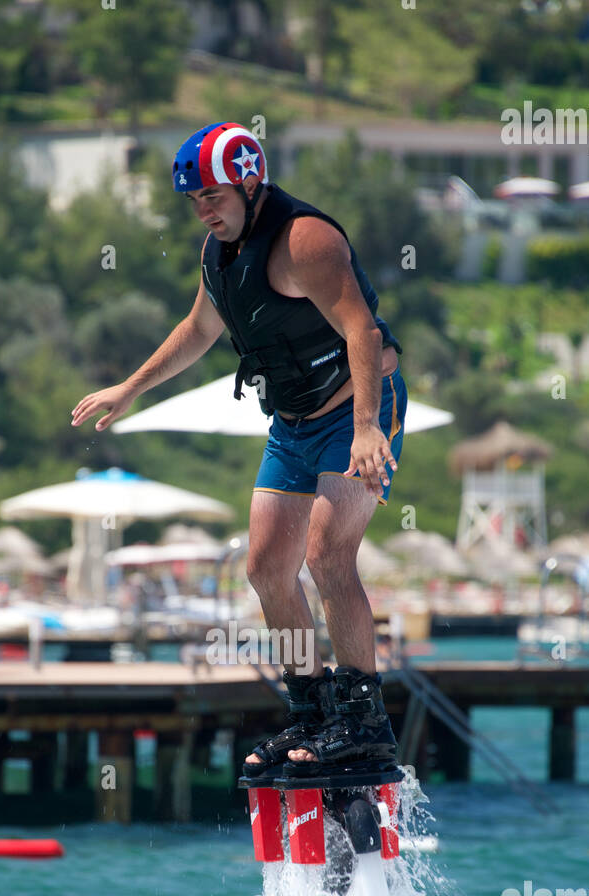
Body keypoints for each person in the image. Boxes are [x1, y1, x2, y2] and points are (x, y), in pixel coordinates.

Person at [71, 122, 407, 781]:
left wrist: (368, 427)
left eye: (214, 195)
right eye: (195, 199)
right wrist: (130, 388)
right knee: (265, 567)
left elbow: (361, 330)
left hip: (356, 409)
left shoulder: (304, 239)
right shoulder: (218, 252)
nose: (205, 208)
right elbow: (199, 328)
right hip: (292, 422)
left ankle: (363, 723)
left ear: (251, 181)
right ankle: (312, 711)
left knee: (327, 554)